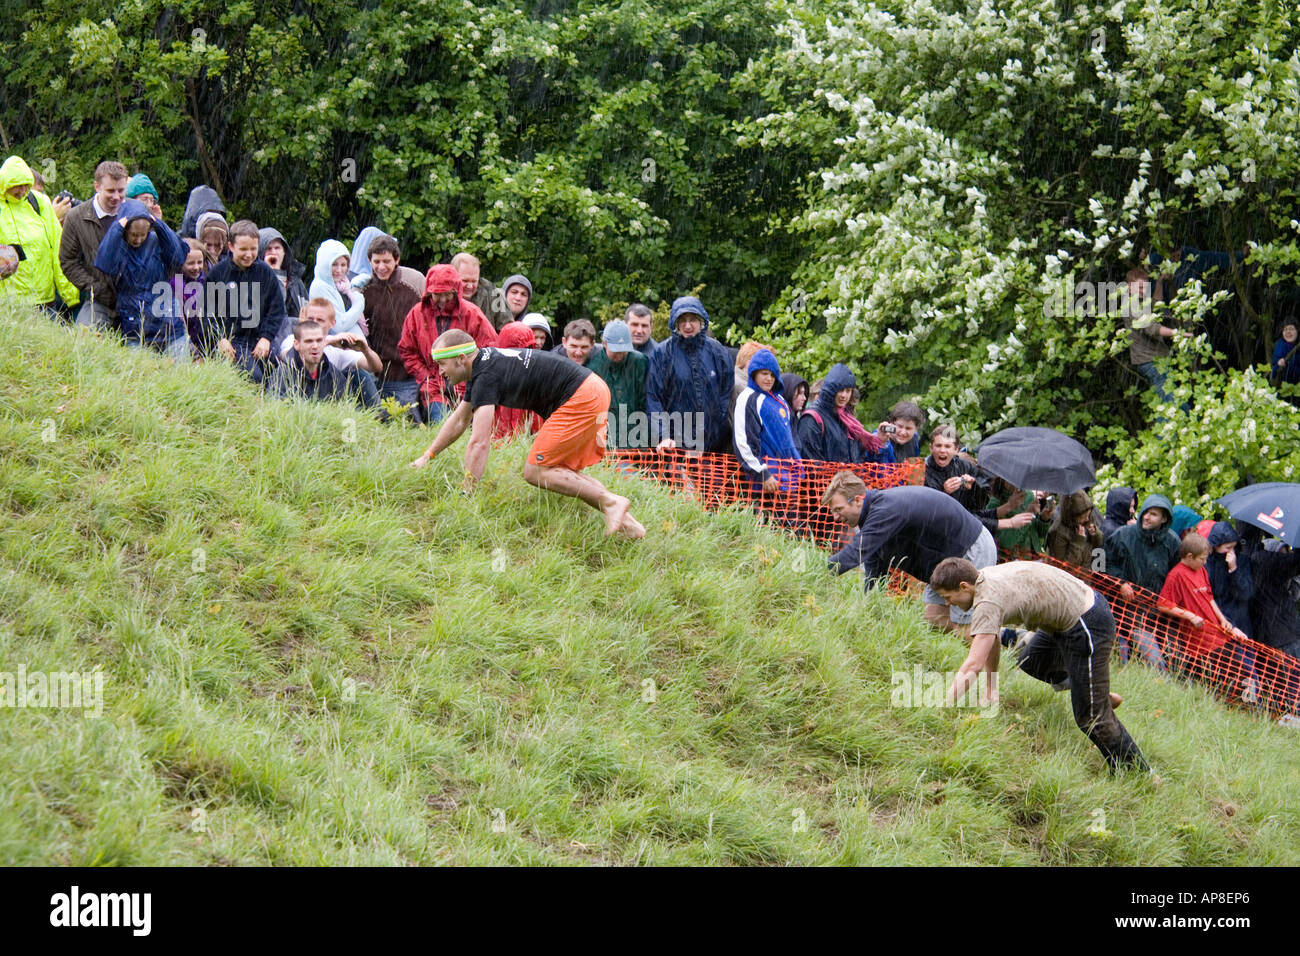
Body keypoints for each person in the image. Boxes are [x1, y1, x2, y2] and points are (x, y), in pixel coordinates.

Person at [408, 329, 645, 540]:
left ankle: (611, 502)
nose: (440, 372)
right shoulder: (483, 364)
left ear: (461, 359)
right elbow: (460, 419)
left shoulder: (485, 375)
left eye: (442, 364)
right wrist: (428, 455)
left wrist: (466, 492)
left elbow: (479, 442)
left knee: (535, 471)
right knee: (560, 470)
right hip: (592, 389)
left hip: (582, 395)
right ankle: (629, 525)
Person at [930, 558, 1151, 774]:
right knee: (1033, 663)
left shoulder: (987, 602)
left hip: (1087, 621)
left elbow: (973, 664)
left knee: (1090, 717)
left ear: (963, 586)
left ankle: (1143, 775)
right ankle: (1092, 692)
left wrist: (943, 706)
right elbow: (992, 639)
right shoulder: (984, 576)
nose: (948, 604)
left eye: (948, 597)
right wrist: (991, 688)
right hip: (1066, 617)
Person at [822, 471, 996, 634]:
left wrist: (816, 573)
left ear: (858, 500)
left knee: (969, 625)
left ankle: (999, 640)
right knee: (934, 617)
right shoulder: (874, 516)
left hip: (969, 548)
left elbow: (856, 553)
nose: (836, 518)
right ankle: (999, 637)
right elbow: (874, 568)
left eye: (838, 509)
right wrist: (868, 606)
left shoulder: (885, 509)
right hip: (946, 560)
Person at [1157, 533, 1259, 702]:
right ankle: (1239, 704)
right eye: (1202, 559)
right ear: (1189, 556)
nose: (1205, 563)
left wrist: (1223, 620)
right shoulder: (1176, 575)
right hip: (1201, 642)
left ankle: (1247, 704)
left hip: (1218, 632)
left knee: (1245, 669)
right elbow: (1163, 604)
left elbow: (1209, 598)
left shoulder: (1201, 570)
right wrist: (1190, 616)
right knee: (1231, 674)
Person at [397, 263, 498, 423]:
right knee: (440, 424)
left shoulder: (472, 314)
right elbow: (407, 350)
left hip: (467, 388)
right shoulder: (417, 314)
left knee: (468, 430)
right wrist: (426, 377)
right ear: (429, 292)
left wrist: (470, 377)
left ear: (456, 291)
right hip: (433, 389)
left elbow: (490, 351)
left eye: (447, 294)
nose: (443, 300)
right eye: (438, 295)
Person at [92, 198, 189, 358]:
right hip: (136, 330)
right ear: (125, 230)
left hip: (170, 327)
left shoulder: (156, 241)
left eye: (142, 235)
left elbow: (179, 257)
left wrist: (159, 224)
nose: (138, 240)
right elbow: (103, 263)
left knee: (181, 376)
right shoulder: (118, 246)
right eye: (133, 235)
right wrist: (118, 226)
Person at [197, 219, 286, 382]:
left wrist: (266, 337)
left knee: (279, 376)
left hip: (259, 341)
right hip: (230, 342)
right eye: (243, 249)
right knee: (253, 377)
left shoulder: (265, 272)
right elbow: (205, 312)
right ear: (231, 246)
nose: (249, 254)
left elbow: (277, 310)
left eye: (253, 249)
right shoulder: (218, 273)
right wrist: (219, 338)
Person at [646, 295, 733, 454]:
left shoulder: (718, 352)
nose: (687, 325)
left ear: (701, 321)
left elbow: (726, 390)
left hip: (712, 444)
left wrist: (717, 425)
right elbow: (653, 398)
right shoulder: (662, 354)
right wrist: (663, 435)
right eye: (682, 320)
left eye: (692, 319)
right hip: (675, 443)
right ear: (675, 323)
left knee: (712, 478)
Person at [1104, 493, 1178, 669]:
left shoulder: (1173, 542)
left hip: (1156, 612)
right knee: (1145, 656)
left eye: (1153, 514)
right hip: (1122, 608)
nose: (1146, 517)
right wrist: (1120, 583)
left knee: (1170, 657)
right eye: (1146, 512)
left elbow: (1175, 576)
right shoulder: (1122, 535)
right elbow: (1101, 562)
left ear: (1164, 519)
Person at [0, 156, 79, 315]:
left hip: (45, 301)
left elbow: (57, 248)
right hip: (10, 304)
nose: (23, 191)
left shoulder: (39, 202)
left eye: (26, 186)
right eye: (18, 186)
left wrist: (70, 294)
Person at [59, 160, 128, 330]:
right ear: (97, 186)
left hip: (133, 296)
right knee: (84, 338)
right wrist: (95, 288)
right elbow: (68, 261)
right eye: (110, 191)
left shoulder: (135, 211)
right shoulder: (76, 217)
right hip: (99, 299)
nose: (117, 197)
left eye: (121, 190)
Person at [360, 235, 423, 419]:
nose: (381, 267)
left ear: (397, 260)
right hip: (378, 371)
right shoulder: (362, 289)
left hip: (410, 370)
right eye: (376, 261)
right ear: (370, 261)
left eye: (387, 261)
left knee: (411, 423)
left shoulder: (414, 281)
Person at [269, 315, 380, 409]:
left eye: (319, 341)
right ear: (296, 344)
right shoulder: (284, 374)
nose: (315, 346)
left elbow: (347, 409)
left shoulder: (333, 374)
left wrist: (365, 349)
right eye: (309, 341)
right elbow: (278, 410)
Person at [733, 349, 800, 496]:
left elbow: (792, 438)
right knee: (766, 519)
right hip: (765, 484)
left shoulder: (780, 401)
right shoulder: (748, 398)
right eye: (764, 373)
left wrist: (798, 466)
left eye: (772, 375)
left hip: (789, 481)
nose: (769, 379)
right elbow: (743, 442)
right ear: (754, 373)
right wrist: (762, 473)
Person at [797, 363, 883, 465]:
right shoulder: (812, 418)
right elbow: (811, 464)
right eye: (840, 390)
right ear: (830, 390)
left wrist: (881, 440)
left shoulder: (849, 420)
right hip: (827, 480)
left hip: (849, 479)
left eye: (848, 391)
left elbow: (859, 457)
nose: (844, 395)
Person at [587, 319, 648, 450]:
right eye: (615, 351)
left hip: (637, 436)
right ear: (604, 343)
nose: (620, 355)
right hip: (606, 438)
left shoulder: (640, 362)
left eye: (624, 350)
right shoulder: (593, 368)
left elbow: (646, 400)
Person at [491, 321, 544, 439]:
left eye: (529, 349)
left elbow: (538, 426)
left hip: (522, 447)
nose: (525, 354)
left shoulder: (534, 379)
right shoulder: (491, 377)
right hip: (495, 448)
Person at [309, 239, 366, 337]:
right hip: (336, 347)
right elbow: (338, 326)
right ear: (325, 264)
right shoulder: (320, 287)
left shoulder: (342, 285)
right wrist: (359, 303)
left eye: (343, 265)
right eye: (334, 264)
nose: (339, 270)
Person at [1205, 522, 1253, 639]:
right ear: (1216, 546)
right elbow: (1208, 597)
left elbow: (1246, 594)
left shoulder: (1242, 560)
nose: (1231, 551)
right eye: (1228, 548)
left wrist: (1234, 570)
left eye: (1234, 547)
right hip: (1218, 623)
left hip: (1241, 622)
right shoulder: (1206, 564)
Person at [923, 424, 986, 511]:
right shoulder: (920, 471)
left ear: (956, 449)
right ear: (931, 448)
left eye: (947, 446)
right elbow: (921, 509)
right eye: (938, 446)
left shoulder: (966, 467)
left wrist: (974, 487)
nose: (942, 450)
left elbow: (982, 504)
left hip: (963, 519)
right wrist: (944, 492)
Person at [258, 227, 308, 323]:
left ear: (284, 252)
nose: (273, 252)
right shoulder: (254, 280)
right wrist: (274, 272)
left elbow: (307, 313)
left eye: (277, 248)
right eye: (268, 249)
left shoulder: (295, 279)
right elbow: (274, 317)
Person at [1045, 490, 1104, 569]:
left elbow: (1098, 545)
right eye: (1083, 517)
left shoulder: (1087, 521)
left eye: (1088, 515)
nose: (1087, 519)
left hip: (1086, 575)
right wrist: (1078, 542)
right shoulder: (1057, 531)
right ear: (1073, 516)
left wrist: (1095, 533)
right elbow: (1064, 568)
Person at [451, 252, 512, 329]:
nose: (470, 286)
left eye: (474, 281)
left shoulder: (494, 293)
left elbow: (507, 327)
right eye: (465, 281)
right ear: (453, 277)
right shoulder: (442, 296)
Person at [1272, 317, 1300, 393]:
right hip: (1283, 389)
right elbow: (1274, 368)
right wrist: (1279, 363)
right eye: (1285, 329)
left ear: (1297, 330)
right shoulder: (1280, 345)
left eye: (1291, 329)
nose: (1288, 332)